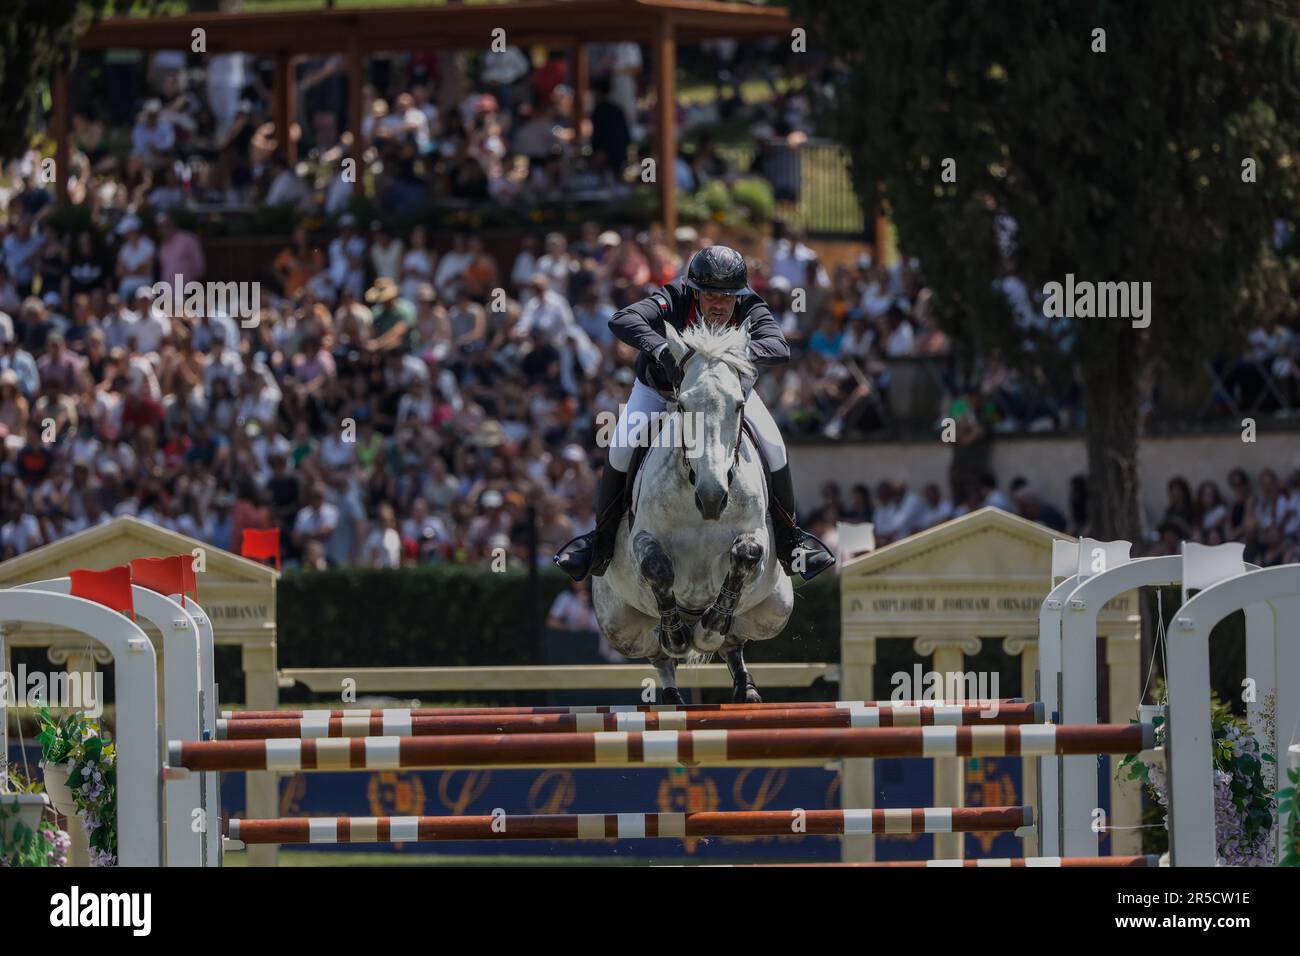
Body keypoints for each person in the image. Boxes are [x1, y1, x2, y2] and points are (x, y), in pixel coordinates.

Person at [553, 245, 834, 582]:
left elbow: (778, 347)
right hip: (660, 391)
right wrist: (660, 348)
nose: (719, 304)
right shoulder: (674, 297)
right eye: (710, 295)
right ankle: (599, 542)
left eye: (727, 296)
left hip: (726, 397)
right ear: (694, 292)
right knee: (622, 445)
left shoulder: (749, 305)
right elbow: (623, 319)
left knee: (774, 445)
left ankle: (792, 543)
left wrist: (735, 352)